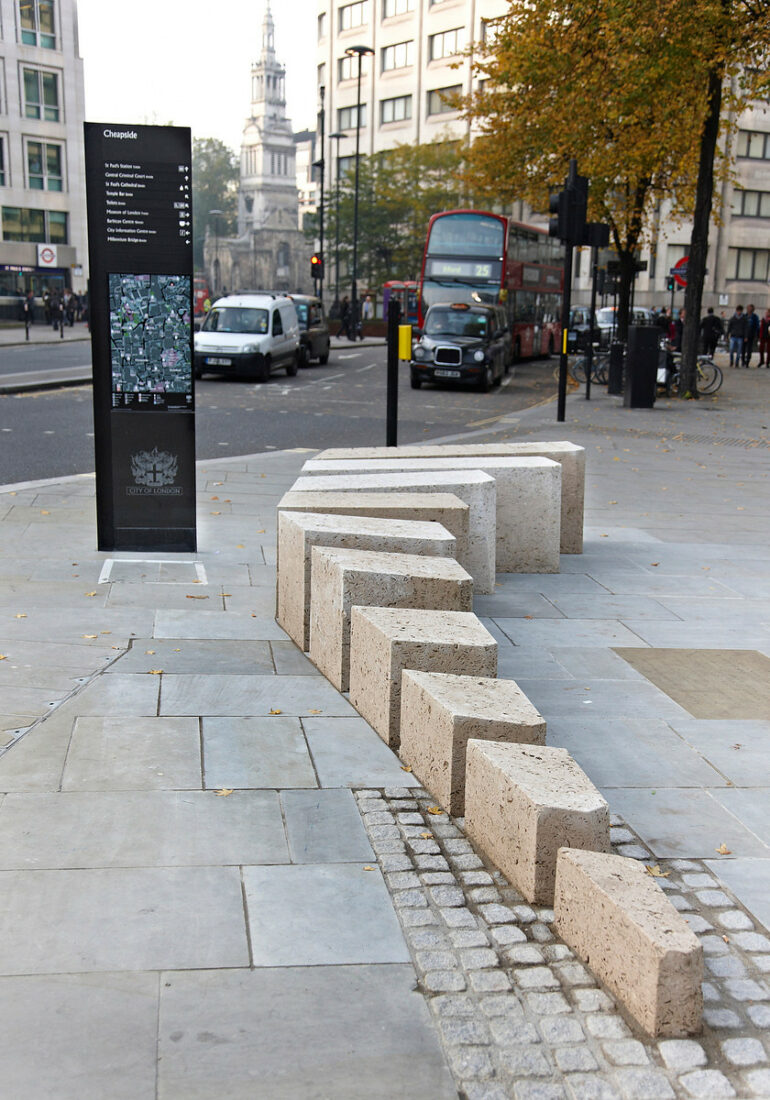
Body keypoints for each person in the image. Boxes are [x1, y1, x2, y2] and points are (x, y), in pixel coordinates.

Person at [742, 303, 759, 367]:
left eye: (749, 308)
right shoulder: (744, 316)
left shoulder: (755, 317)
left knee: (749, 349)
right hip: (744, 335)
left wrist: (756, 335)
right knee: (743, 349)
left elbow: (757, 326)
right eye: (748, 308)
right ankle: (743, 360)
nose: (748, 309)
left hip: (751, 335)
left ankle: (747, 362)